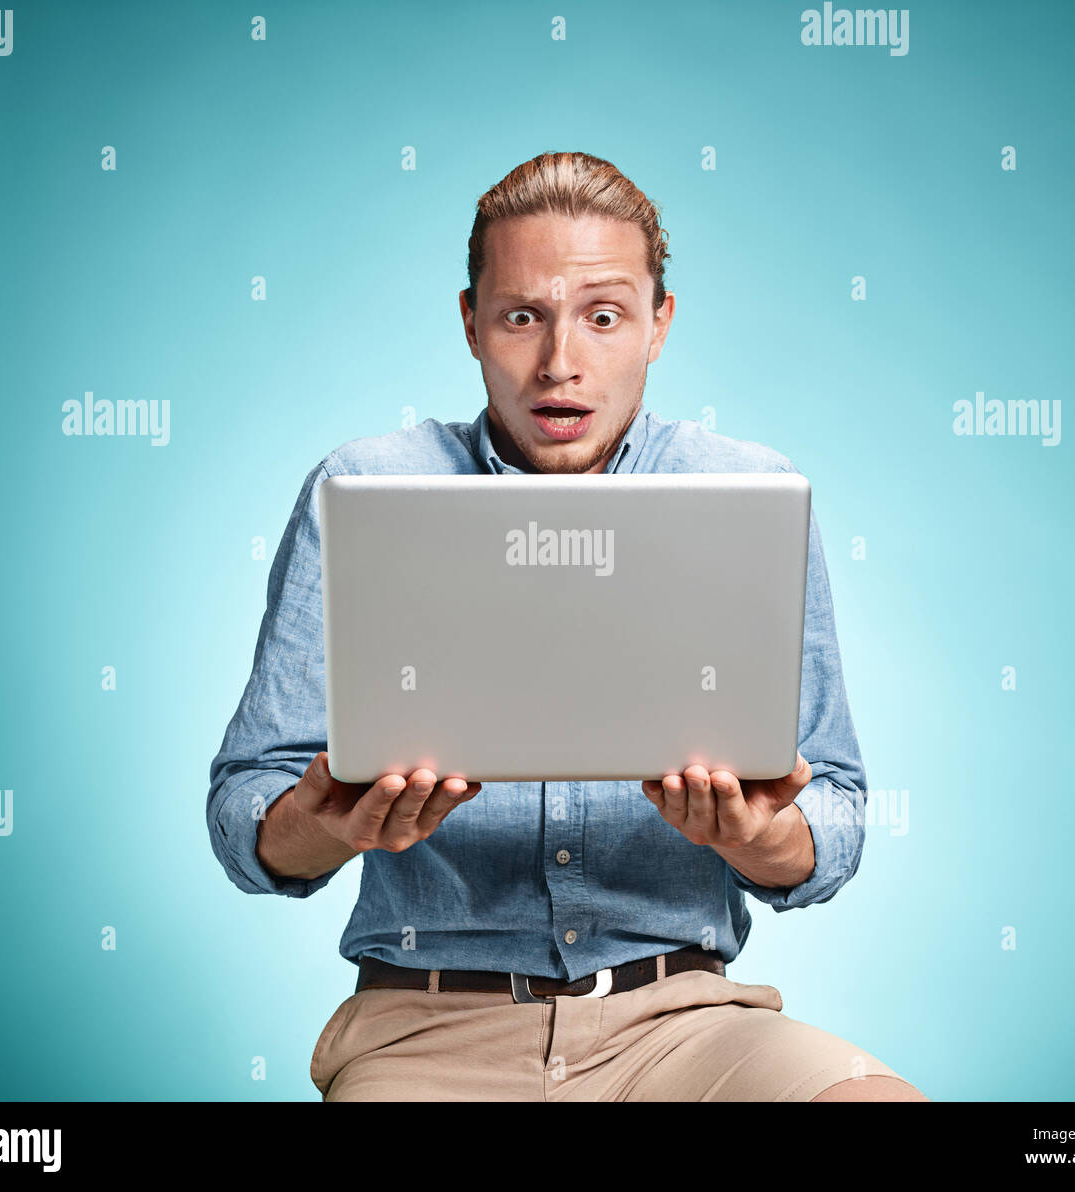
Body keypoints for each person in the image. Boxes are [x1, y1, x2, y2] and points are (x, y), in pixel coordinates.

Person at [207, 151, 928, 1102]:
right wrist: (322, 827)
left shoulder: (742, 495)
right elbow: (244, 814)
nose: (561, 362)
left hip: (683, 1028)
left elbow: (833, 807)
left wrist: (760, 841)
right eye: (521, 317)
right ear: (471, 322)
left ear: (657, 324)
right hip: (425, 1035)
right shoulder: (367, 489)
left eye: (602, 315)